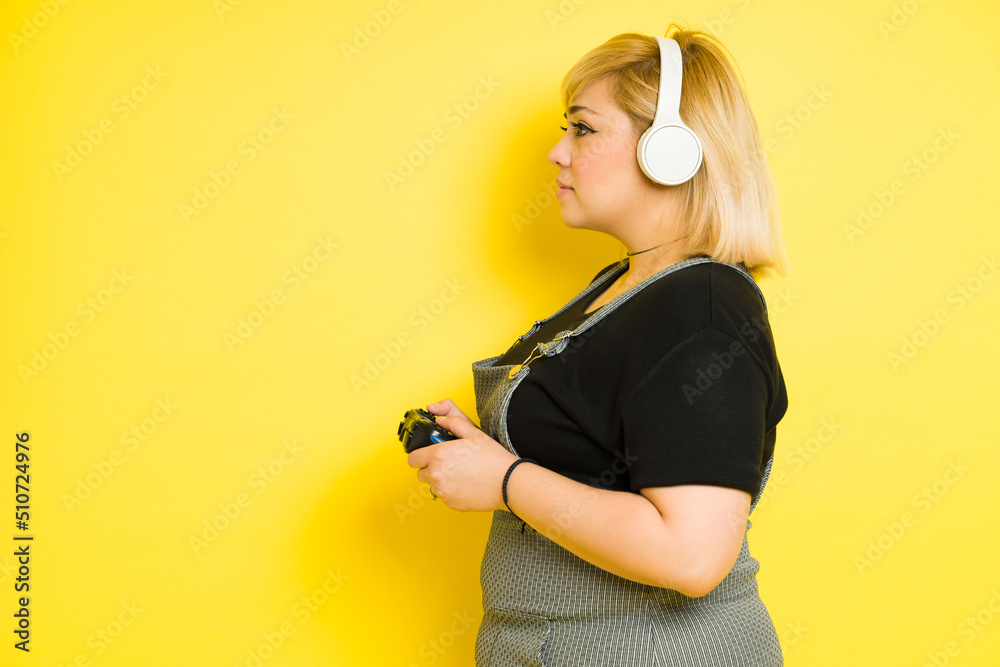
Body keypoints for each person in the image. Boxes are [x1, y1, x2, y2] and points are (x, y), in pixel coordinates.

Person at [408, 22, 790, 666]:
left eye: (583, 129)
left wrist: (504, 480)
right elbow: (592, 459)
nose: (556, 153)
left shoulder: (700, 308)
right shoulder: (620, 287)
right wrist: (485, 452)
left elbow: (692, 555)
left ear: (671, 152)